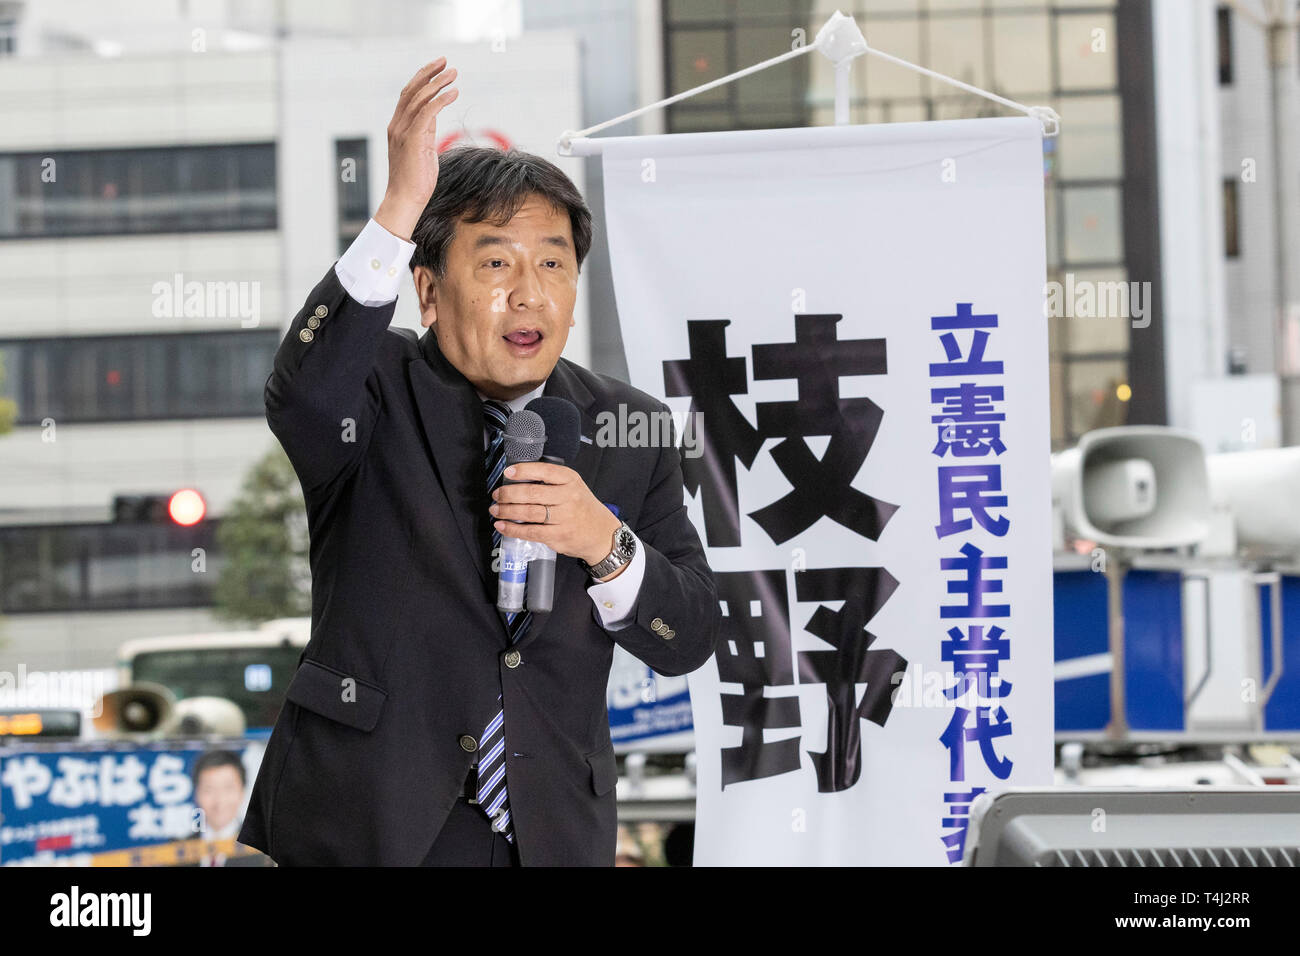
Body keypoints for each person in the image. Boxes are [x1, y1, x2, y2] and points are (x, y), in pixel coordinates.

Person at [237, 57, 720, 866]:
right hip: (365, 825)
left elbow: (688, 634)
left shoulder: (628, 424)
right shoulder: (374, 385)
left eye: (553, 263)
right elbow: (301, 393)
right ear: (427, 293)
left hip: (548, 832)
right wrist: (397, 209)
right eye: (495, 263)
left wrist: (606, 542)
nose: (529, 292)